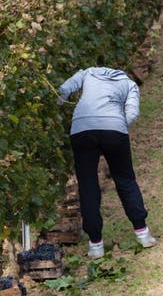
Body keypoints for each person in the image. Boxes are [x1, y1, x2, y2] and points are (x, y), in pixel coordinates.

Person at [57, 66, 156, 258]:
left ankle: (95, 245)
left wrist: (60, 101)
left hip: (82, 130)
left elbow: (65, 88)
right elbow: (133, 114)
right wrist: (117, 124)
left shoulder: (88, 73)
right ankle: (143, 234)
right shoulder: (129, 84)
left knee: (87, 184)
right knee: (125, 179)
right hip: (114, 130)